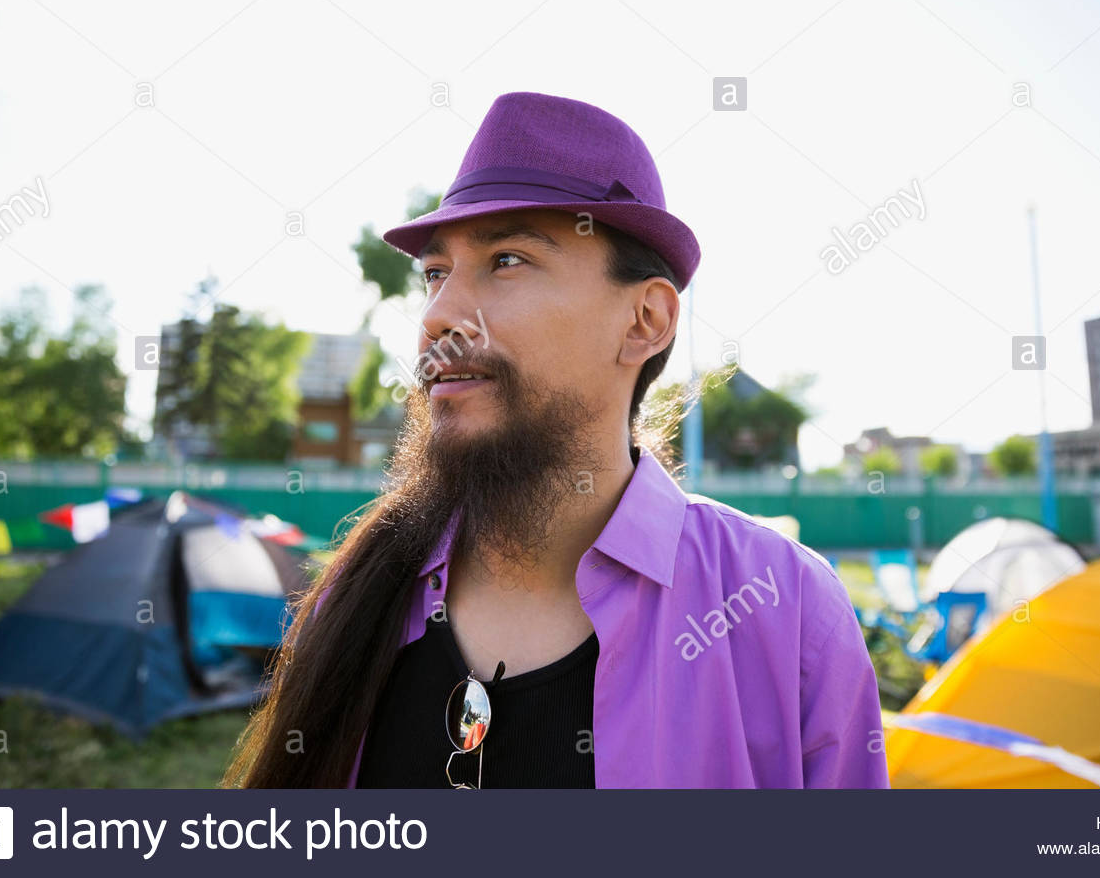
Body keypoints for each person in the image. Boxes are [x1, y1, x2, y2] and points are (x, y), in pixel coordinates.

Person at [223, 91, 888, 789]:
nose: (439, 315)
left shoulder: (783, 612)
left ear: (645, 321)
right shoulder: (357, 599)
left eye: (507, 260)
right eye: (436, 274)